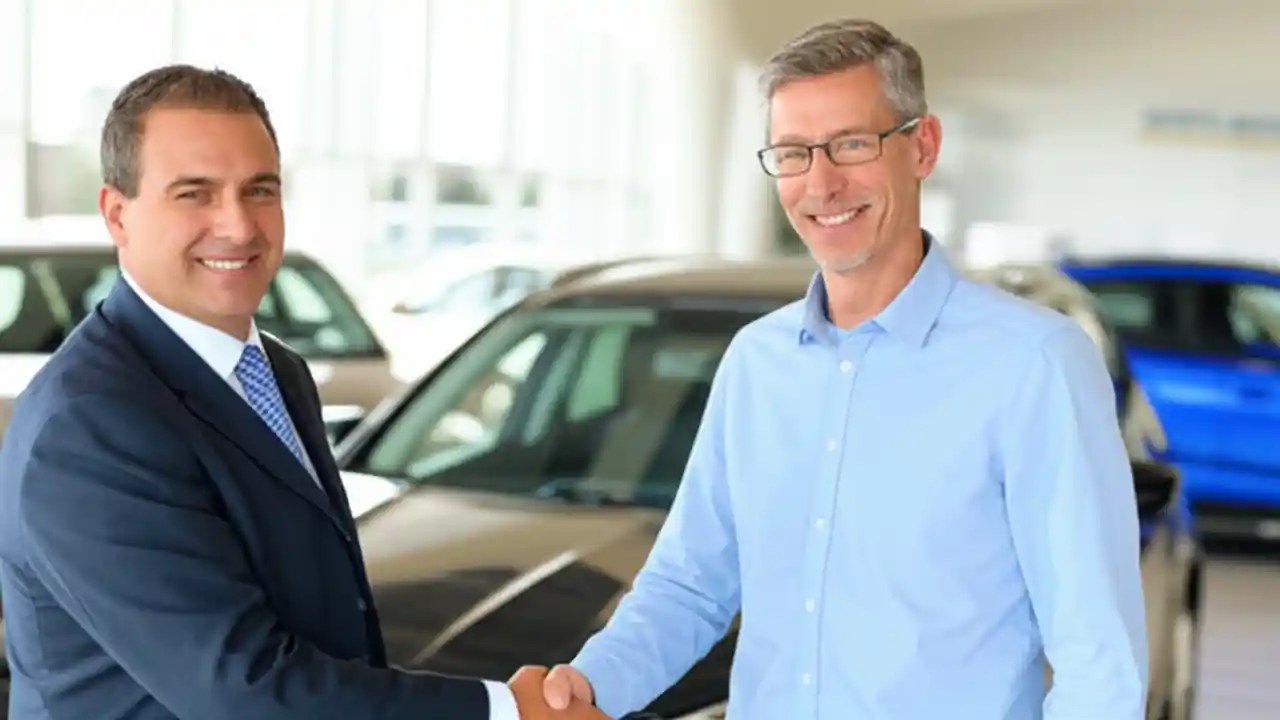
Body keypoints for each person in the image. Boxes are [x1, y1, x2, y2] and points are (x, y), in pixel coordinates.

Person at [541, 18, 1148, 720]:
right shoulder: (756, 365)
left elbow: (1097, 658)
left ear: (922, 146)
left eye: (852, 144)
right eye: (794, 153)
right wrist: (591, 686)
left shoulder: (1035, 364)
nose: (822, 183)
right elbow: (691, 587)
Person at [0, 64, 601, 720]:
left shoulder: (278, 371)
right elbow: (240, 686)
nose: (238, 225)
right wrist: (504, 710)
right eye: (194, 194)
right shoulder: (91, 424)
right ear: (117, 214)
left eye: (260, 190)